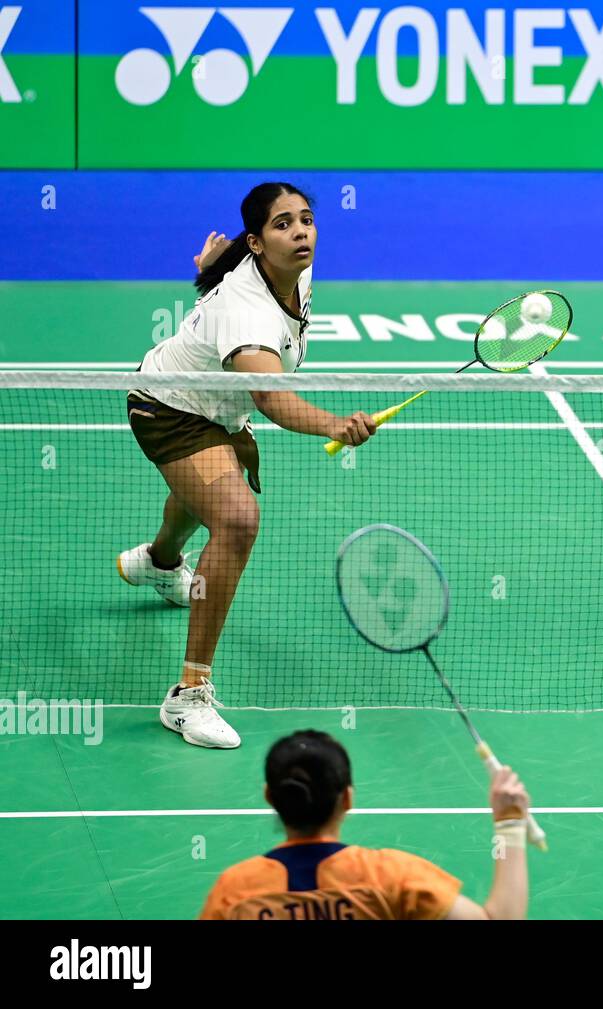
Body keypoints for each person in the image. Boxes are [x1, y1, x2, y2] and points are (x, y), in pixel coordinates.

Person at [118, 183, 376, 748]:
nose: (301, 232)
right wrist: (334, 424)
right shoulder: (247, 310)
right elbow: (271, 398)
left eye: (306, 219)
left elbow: (237, 254)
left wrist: (211, 265)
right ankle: (188, 695)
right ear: (260, 243)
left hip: (215, 405)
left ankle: (159, 564)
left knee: (204, 489)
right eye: (284, 225)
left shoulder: (292, 269)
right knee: (236, 518)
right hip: (168, 407)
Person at [199, 731, 532, 920]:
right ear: (347, 798)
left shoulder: (235, 893)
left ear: (270, 796)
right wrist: (510, 823)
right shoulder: (391, 878)